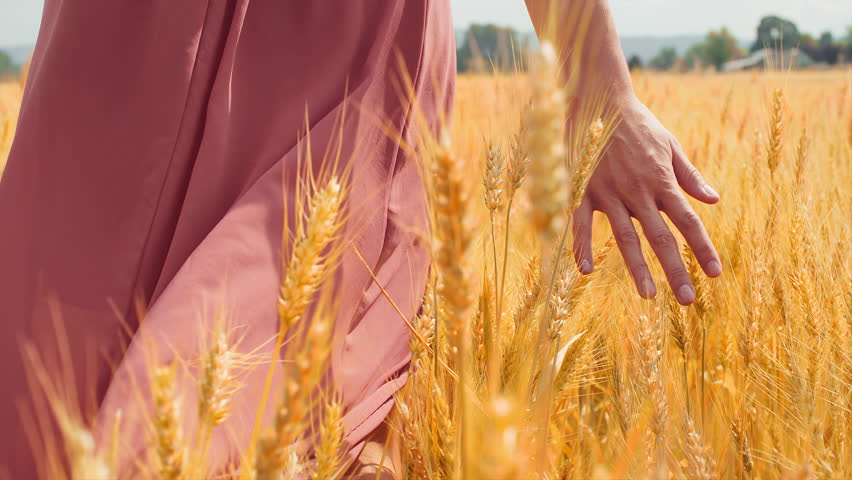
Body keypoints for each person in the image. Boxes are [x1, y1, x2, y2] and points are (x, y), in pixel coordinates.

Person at [0, 1, 720, 478]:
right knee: (36, 414)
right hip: (117, 51)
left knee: (192, 436)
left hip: (332, 66)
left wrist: (600, 83)